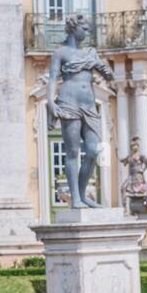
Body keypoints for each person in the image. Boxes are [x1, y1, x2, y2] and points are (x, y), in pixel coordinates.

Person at [46, 15, 112, 209]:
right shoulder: (61, 52)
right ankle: (75, 198)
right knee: (73, 152)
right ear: (73, 28)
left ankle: (82, 195)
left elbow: (109, 76)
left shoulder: (91, 53)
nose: (87, 32)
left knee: (93, 150)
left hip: (90, 104)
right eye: (84, 28)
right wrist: (50, 100)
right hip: (69, 102)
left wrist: (103, 67)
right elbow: (52, 79)